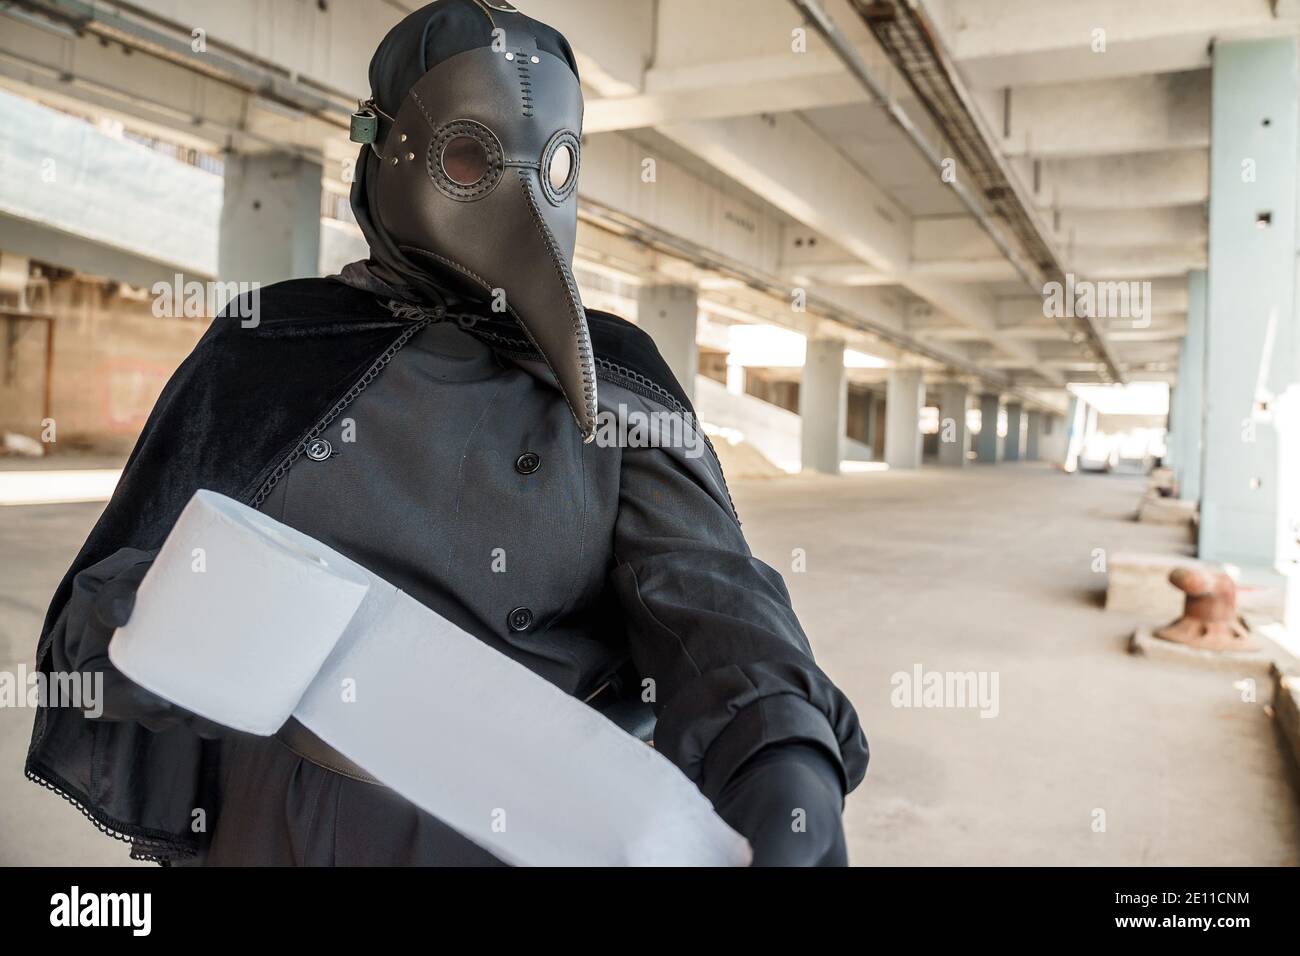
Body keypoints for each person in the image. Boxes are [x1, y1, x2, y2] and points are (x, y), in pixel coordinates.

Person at [26, 0, 868, 866]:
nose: (523, 201)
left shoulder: (615, 375)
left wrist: (781, 742)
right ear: (382, 150)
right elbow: (108, 606)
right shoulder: (272, 346)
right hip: (281, 827)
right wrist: (149, 622)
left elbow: (703, 589)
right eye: (470, 154)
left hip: (538, 829)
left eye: (556, 164)